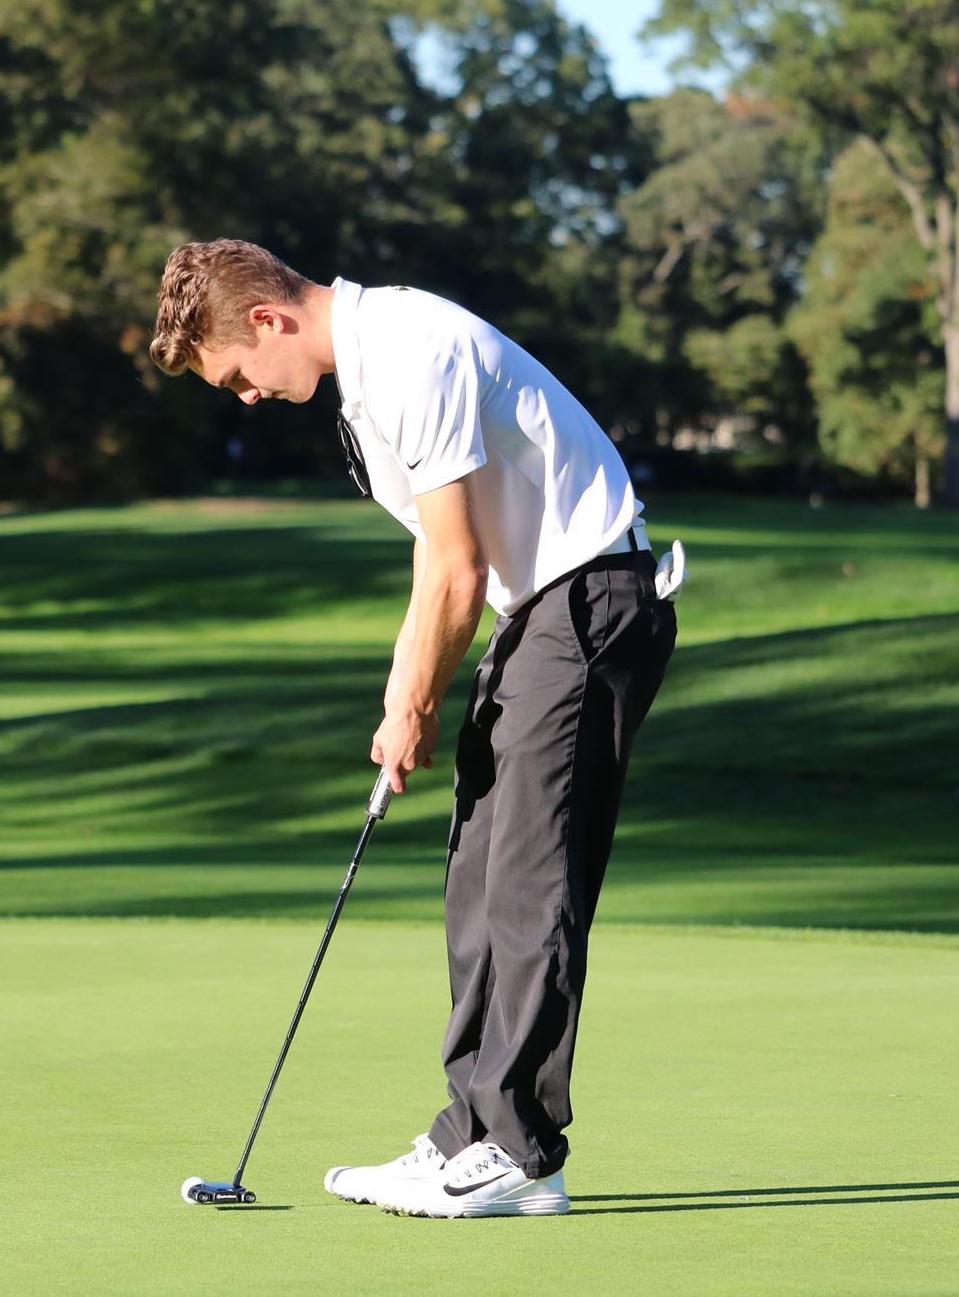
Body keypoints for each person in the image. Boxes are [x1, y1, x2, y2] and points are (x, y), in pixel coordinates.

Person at [149, 239, 676, 1218]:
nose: (245, 396)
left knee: (525, 883)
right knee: (477, 874)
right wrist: (402, 694)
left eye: (234, 376)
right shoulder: (368, 371)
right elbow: (436, 561)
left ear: (267, 321)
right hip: (545, 612)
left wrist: (413, 701)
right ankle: (466, 1135)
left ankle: (517, 1150)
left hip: (589, 601)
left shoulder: (405, 349)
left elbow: (456, 572)